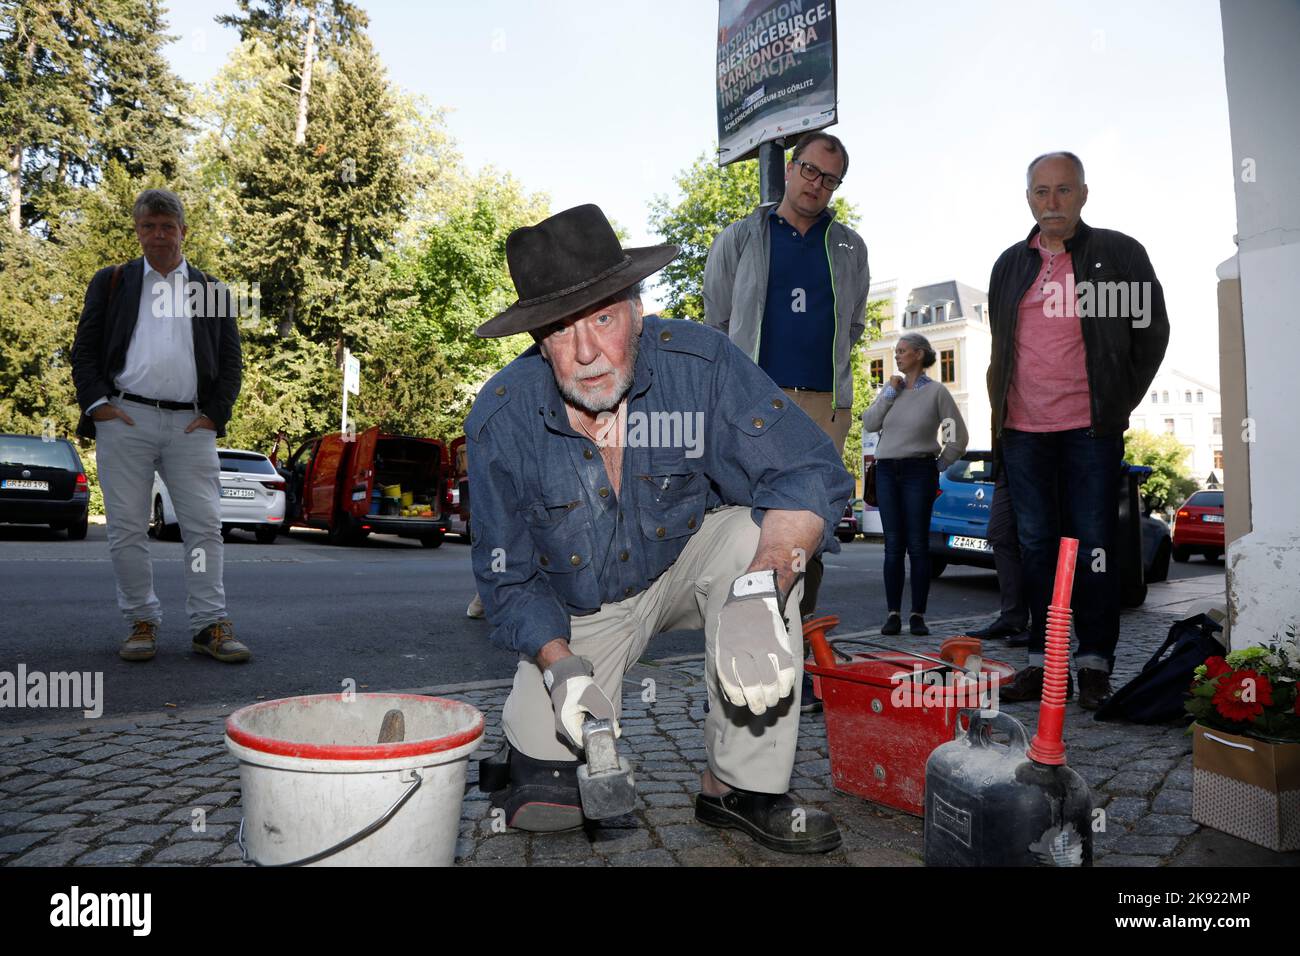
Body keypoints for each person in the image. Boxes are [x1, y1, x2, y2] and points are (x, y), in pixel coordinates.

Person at [467, 204, 854, 853]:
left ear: (638, 310)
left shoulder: (699, 366)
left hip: (684, 562)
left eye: (603, 317)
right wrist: (560, 669)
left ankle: (738, 787)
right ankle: (540, 747)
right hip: (581, 608)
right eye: (561, 330)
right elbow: (508, 579)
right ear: (537, 341)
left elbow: (808, 469)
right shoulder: (498, 424)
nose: (587, 351)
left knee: (750, 540)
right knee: (550, 797)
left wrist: (767, 582)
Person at [987, 152, 1169, 710]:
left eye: (1063, 190)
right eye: (1041, 192)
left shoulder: (1117, 253)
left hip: (1090, 429)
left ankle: (1093, 663)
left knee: (1093, 547)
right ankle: (1044, 664)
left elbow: (1151, 333)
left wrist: (1116, 402)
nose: (1052, 202)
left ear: (1083, 194)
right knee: (1037, 546)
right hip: (1022, 429)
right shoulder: (1010, 265)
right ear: (1028, 200)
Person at [70, 188, 248, 663]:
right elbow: (84, 350)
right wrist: (97, 405)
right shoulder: (112, 282)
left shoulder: (211, 290)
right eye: (148, 226)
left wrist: (215, 414)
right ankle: (141, 621)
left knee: (205, 527)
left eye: (167, 226)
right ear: (138, 231)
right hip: (124, 419)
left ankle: (209, 624)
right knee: (127, 528)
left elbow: (231, 363)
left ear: (183, 232)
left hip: (192, 424)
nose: (158, 235)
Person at [703, 130, 870, 621]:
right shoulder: (740, 237)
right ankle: (739, 629)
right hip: (755, 400)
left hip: (823, 405)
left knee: (810, 522)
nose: (817, 184)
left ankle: (795, 635)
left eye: (831, 179)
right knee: (748, 515)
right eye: (811, 170)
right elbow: (718, 317)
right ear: (791, 168)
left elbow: (854, 322)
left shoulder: (850, 247)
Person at [861, 333, 969, 636]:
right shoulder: (890, 390)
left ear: (919, 354)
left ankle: (918, 615)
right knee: (893, 547)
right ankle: (893, 614)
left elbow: (957, 437)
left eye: (903, 351)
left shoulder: (937, 393)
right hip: (886, 472)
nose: (897, 356)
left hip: (919, 471)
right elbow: (869, 423)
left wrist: (938, 466)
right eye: (896, 351)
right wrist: (888, 394)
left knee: (918, 546)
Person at [965, 461, 1031, 645]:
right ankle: (1012, 618)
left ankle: (1044, 625)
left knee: (1037, 540)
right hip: (1008, 459)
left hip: (1040, 453)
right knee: (999, 534)